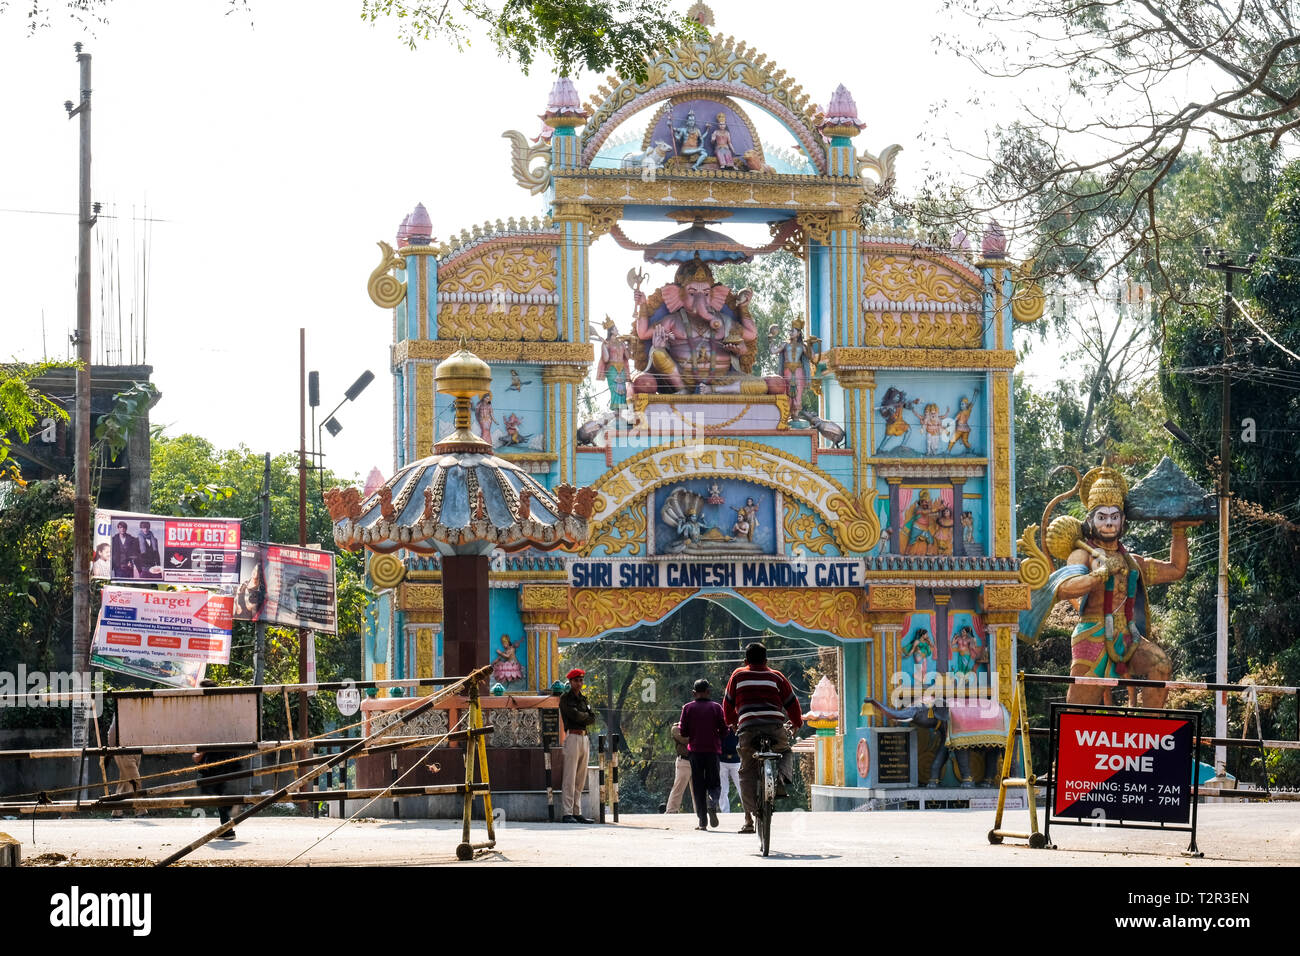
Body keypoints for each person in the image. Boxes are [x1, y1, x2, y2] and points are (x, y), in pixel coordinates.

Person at [1019, 467, 1195, 709]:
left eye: (1115, 516)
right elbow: (1066, 588)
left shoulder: (1132, 561)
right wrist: (1100, 574)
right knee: (1078, 710)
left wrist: (1179, 530)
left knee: (1160, 664)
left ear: (1123, 520)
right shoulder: (1083, 554)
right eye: (1102, 517)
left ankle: (1147, 736)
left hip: (1127, 635)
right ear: (1090, 520)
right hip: (1092, 635)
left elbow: (1176, 569)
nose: (1109, 523)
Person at [723, 643, 803, 833]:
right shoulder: (776, 676)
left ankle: (750, 815)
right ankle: (781, 781)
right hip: (774, 727)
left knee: (746, 770)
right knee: (785, 751)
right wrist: (796, 723)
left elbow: (727, 705)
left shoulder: (738, 675)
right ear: (767, 661)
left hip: (748, 729)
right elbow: (792, 704)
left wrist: (734, 722)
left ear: (745, 661)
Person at [678, 678, 727, 830]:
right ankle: (713, 803)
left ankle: (702, 822)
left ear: (694, 693)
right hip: (712, 751)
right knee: (714, 783)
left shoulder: (687, 708)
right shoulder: (716, 707)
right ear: (708, 692)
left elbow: (683, 732)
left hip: (695, 752)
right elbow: (724, 730)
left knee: (698, 786)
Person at [558, 668, 596, 823]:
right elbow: (574, 715)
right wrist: (584, 717)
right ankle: (567, 813)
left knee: (580, 776)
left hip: (584, 737)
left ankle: (577, 811)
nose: (579, 683)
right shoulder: (565, 699)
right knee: (570, 775)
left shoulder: (583, 699)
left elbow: (592, 718)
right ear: (571, 682)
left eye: (581, 680)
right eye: (576, 680)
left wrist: (583, 717)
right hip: (572, 736)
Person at [660, 722, 694, 816]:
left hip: (697, 761)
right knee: (678, 787)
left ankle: (699, 811)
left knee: (698, 789)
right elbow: (684, 740)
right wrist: (697, 736)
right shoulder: (676, 727)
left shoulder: (697, 724)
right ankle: (671, 810)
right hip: (684, 761)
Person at [718, 724, 745, 823]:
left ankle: (748, 811)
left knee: (741, 787)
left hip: (736, 760)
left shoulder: (737, 724)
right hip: (722, 760)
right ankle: (725, 812)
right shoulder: (720, 725)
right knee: (723, 789)